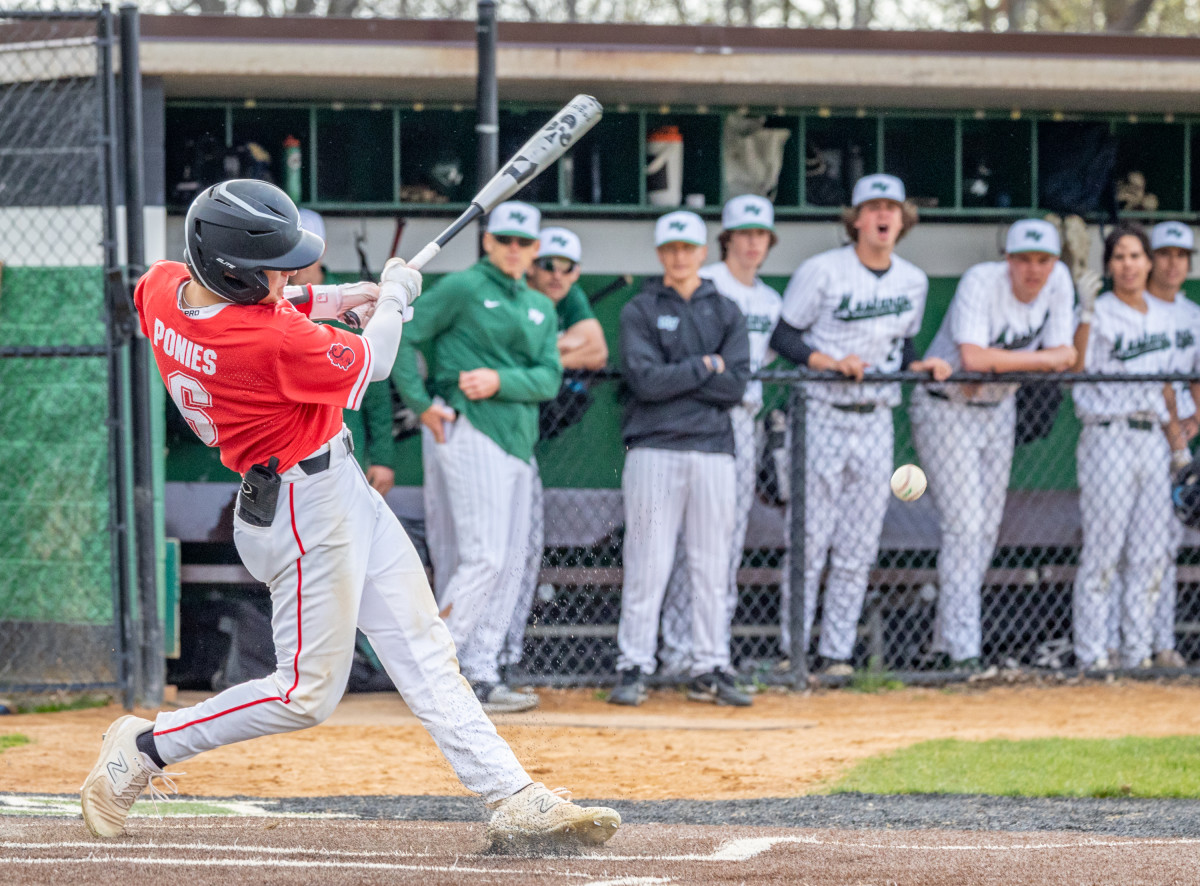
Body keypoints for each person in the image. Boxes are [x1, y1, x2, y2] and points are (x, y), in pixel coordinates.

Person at [79, 180, 619, 850]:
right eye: (276, 268)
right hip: (303, 511)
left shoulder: (165, 286)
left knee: (423, 645)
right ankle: (146, 746)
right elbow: (378, 358)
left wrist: (341, 297)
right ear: (234, 273)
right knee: (304, 694)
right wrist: (392, 297)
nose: (291, 276)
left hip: (324, 490)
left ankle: (512, 795)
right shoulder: (272, 342)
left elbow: (250, 305)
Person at [768, 173, 951, 676]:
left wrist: (919, 366)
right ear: (855, 220)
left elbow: (901, 346)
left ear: (903, 219)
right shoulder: (822, 271)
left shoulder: (912, 281)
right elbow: (784, 336)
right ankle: (794, 651)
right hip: (823, 412)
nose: (883, 215)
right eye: (872, 207)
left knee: (858, 545)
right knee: (808, 541)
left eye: (891, 207)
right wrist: (828, 362)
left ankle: (836, 654)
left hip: (876, 418)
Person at [392, 201, 561, 714]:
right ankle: (432, 668)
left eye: (523, 242)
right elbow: (401, 333)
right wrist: (420, 404)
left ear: (534, 249)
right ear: (488, 241)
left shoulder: (540, 304)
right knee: (484, 556)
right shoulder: (464, 287)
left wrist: (499, 380)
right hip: (470, 429)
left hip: (518, 439)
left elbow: (549, 378)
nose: (514, 249)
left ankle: (481, 670)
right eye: (505, 239)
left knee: (509, 560)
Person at [909, 219, 1077, 672]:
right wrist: (1042, 360)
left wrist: (1008, 364)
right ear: (1008, 260)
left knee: (984, 532)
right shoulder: (981, 281)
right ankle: (964, 651)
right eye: (1023, 259)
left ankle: (944, 643)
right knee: (964, 526)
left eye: (1042, 260)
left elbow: (1066, 356)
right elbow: (974, 358)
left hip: (998, 407)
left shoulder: (1059, 281)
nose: (1033, 270)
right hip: (947, 407)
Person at [609, 210, 752, 707]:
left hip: (713, 451)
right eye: (671, 248)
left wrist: (680, 375)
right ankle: (634, 665)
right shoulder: (641, 308)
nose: (679, 256)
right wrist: (705, 367)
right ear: (660, 253)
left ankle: (710, 665)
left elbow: (735, 386)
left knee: (712, 567)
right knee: (647, 563)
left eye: (687, 248)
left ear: (703, 252)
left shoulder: (727, 310)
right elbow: (645, 382)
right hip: (653, 448)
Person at [657, 194, 783, 677]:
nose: (753, 243)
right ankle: (678, 649)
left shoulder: (770, 300)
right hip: (703, 418)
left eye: (761, 235)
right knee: (687, 543)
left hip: (745, 422)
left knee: (724, 543)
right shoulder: (708, 287)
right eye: (744, 234)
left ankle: (713, 650)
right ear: (726, 239)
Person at [501, 225, 609, 677]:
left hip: (523, 443)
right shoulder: (509, 293)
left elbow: (597, 351)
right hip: (485, 435)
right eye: (548, 265)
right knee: (486, 556)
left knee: (525, 551)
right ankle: (469, 660)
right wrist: (558, 353)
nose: (556, 275)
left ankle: (503, 656)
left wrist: (541, 357)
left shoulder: (569, 297)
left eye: (567, 267)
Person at [1072, 222, 1177, 671]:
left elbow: (1167, 387)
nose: (1128, 265)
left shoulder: (1162, 315)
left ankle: (1137, 653)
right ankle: (1093, 653)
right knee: (1104, 551)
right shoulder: (1099, 311)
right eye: (1119, 257)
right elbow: (1075, 368)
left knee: (1149, 553)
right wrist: (1085, 313)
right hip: (1108, 432)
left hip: (1152, 437)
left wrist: (1178, 449)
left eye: (1135, 256)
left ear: (1148, 262)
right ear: (1109, 265)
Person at [292, 208, 395, 496]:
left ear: (321, 248)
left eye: (304, 248)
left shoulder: (350, 301)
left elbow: (375, 388)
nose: (296, 258)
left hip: (343, 444)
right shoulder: (265, 302)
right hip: (283, 448)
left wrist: (383, 458)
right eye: (289, 247)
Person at [1144, 220, 1200, 668]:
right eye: (1165, 254)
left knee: (1167, 544)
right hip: (1144, 434)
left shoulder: (1192, 314)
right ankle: (1125, 645)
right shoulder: (1137, 307)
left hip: (1182, 440)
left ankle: (1161, 643)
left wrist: (1193, 423)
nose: (1173, 263)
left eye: (1181, 255)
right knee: (1135, 546)